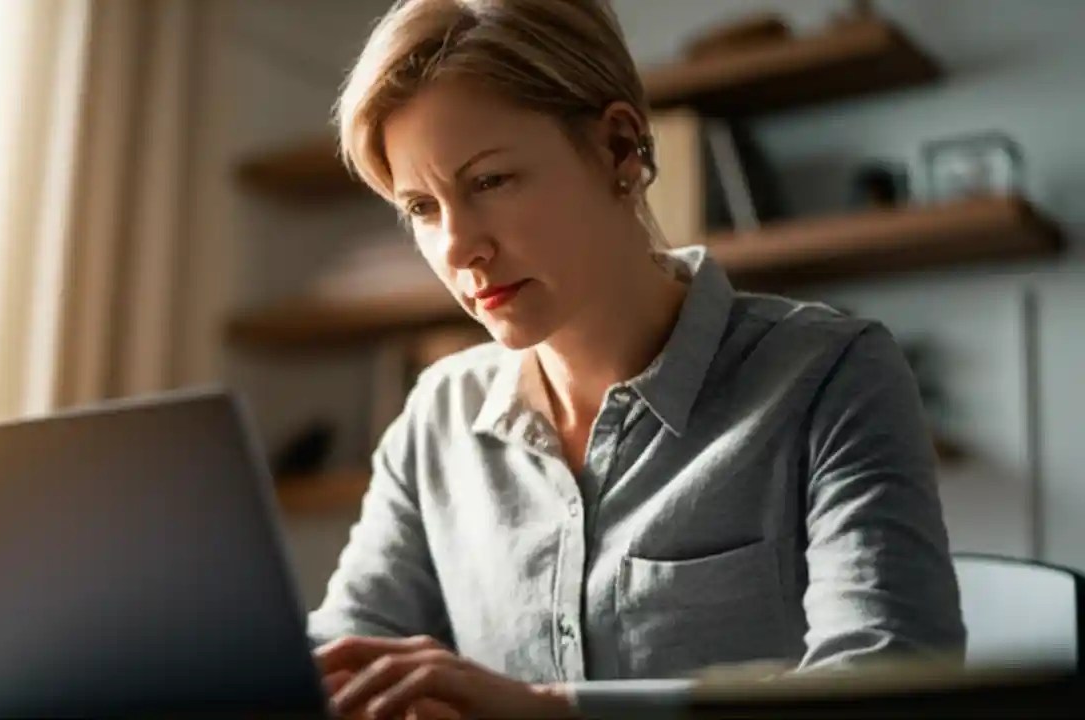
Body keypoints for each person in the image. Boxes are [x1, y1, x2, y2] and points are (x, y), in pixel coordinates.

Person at [307, 1, 966, 717]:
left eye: (490, 182)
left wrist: (557, 713)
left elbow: (891, 686)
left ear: (620, 149)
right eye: (423, 209)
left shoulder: (831, 375)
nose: (459, 248)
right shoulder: (438, 414)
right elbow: (347, 650)